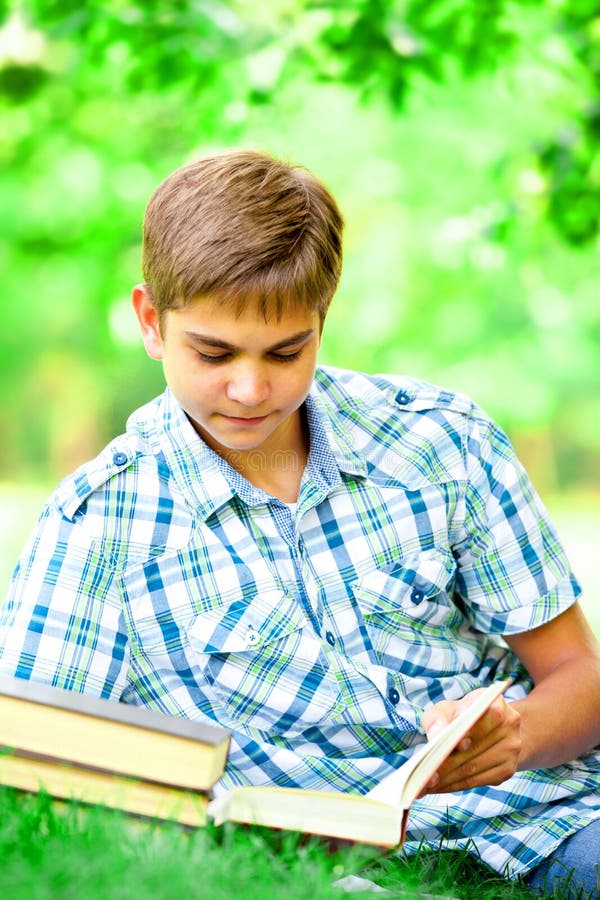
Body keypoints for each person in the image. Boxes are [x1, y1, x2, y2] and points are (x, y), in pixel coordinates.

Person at [1, 149, 599, 897]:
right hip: (329, 871)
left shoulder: (443, 443)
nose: (250, 389)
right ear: (151, 321)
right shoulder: (98, 526)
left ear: (322, 320)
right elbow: (28, 770)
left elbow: (580, 675)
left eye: (287, 352)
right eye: (213, 352)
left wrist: (517, 736)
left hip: (543, 816)